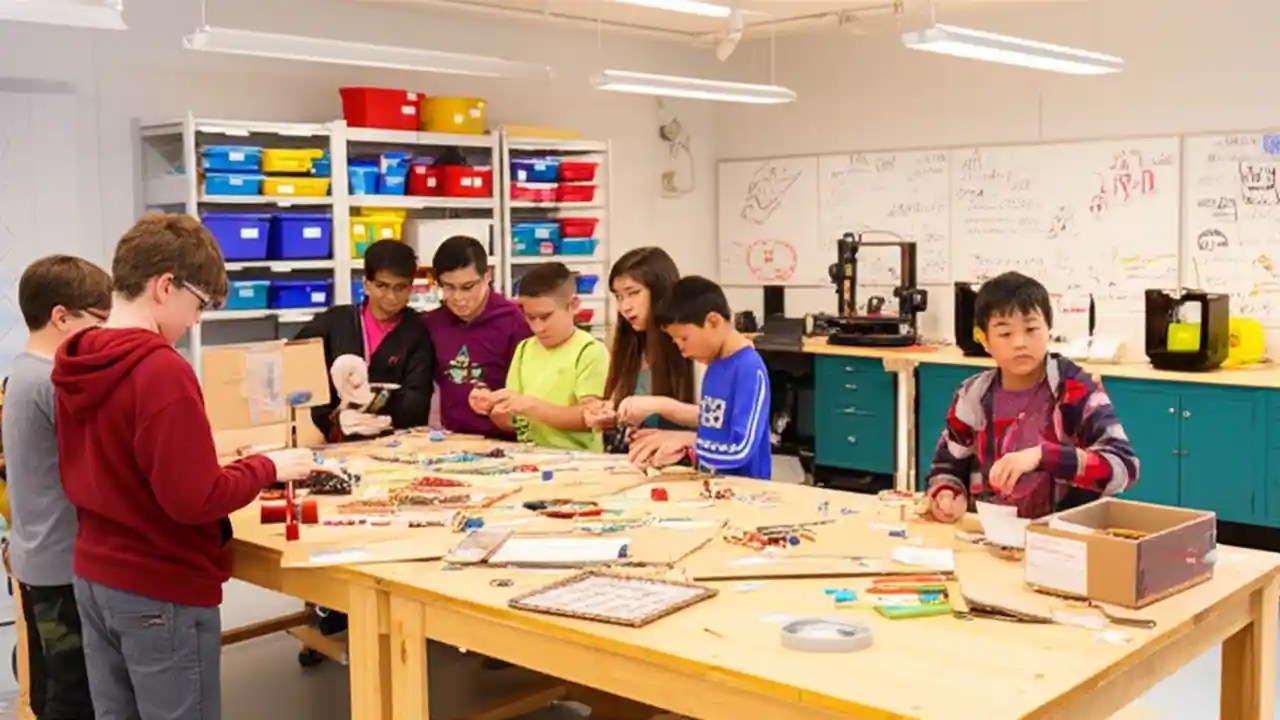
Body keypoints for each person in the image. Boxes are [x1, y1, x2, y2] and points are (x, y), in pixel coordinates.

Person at [51, 213, 317, 720]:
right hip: (159, 589)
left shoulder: (78, 357)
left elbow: (111, 465)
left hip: (95, 574)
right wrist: (267, 466)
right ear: (165, 286)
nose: (196, 320)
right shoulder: (160, 368)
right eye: (198, 305)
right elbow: (193, 499)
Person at [925, 271, 1139, 522]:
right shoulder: (973, 396)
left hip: (1061, 537)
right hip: (990, 536)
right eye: (1005, 333)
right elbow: (947, 467)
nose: (1020, 342)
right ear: (984, 340)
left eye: (1031, 329)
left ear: (1048, 329)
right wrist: (947, 494)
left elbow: (1125, 468)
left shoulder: (1074, 389)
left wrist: (1043, 456)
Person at [3, 255, 111, 720]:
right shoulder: (52, 382)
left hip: (37, 555)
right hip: (62, 566)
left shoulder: (19, 374)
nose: (104, 334)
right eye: (98, 322)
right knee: (73, 695)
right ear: (61, 316)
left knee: (52, 687)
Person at [630, 276, 772, 480]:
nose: (682, 351)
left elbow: (740, 449)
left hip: (745, 495)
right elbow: (712, 432)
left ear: (713, 321)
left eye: (684, 338)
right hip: (713, 487)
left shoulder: (749, 368)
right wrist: (677, 451)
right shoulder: (714, 366)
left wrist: (688, 440)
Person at [297, 239, 434, 441]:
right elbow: (298, 369)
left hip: (397, 443)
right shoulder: (334, 323)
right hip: (335, 442)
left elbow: (417, 400)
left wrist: (375, 400)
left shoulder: (419, 332)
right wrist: (333, 419)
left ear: (411, 287)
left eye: (400, 287)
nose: (391, 296)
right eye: (382, 286)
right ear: (366, 284)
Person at [470, 262, 608, 451]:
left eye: (545, 317)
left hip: (579, 462)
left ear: (573, 305)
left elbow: (590, 418)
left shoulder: (589, 350)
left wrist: (530, 406)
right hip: (532, 458)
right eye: (530, 317)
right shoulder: (525, 349)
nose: (537, 327)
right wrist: (492, 408)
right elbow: (514, 422)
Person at [581, 248, 697, 452]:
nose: (625, 307)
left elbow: (719, 421)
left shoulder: (694, 346)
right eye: (618, 297)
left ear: (661, 291)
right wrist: (607, 415)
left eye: (633, 293)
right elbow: (624, 416)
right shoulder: (628, 347)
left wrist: (662, 406)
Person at [423, 236, 529, 439]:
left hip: (504, 440)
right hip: (451, 439)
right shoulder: (433, 323)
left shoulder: (514, 321)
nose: (458, 298)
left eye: (467, 287)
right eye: (448, 287)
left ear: (487, 276)